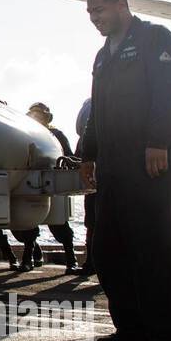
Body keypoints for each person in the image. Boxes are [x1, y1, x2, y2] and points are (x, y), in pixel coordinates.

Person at [79, 0, 171, 341]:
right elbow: (97, 108)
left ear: (121, 5)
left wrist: (159, 141)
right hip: (111, 164)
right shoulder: (101, 55)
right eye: (90, 13)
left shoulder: (155, 39)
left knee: (154, 252)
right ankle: (132, 330)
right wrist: (87, 154)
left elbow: (168, 92)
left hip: (149, 160)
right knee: (108, 251)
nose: (94, 19)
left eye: (100, 11)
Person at [12, 102, 80, 272]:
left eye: (40, 115)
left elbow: (69, 156)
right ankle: (29, 259)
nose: (36, 118)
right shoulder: (24, 134)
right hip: (30, 181)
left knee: (60, 225)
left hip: (53, 181)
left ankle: (71, 260)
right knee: (27, 224)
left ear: (46, 118)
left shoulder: (56, 135)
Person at [74, 98, 96, 276]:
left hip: (95, 172)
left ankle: (92, 262)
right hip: (107, 169)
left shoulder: (90, 105)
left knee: (93, 221)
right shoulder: (93, 105)